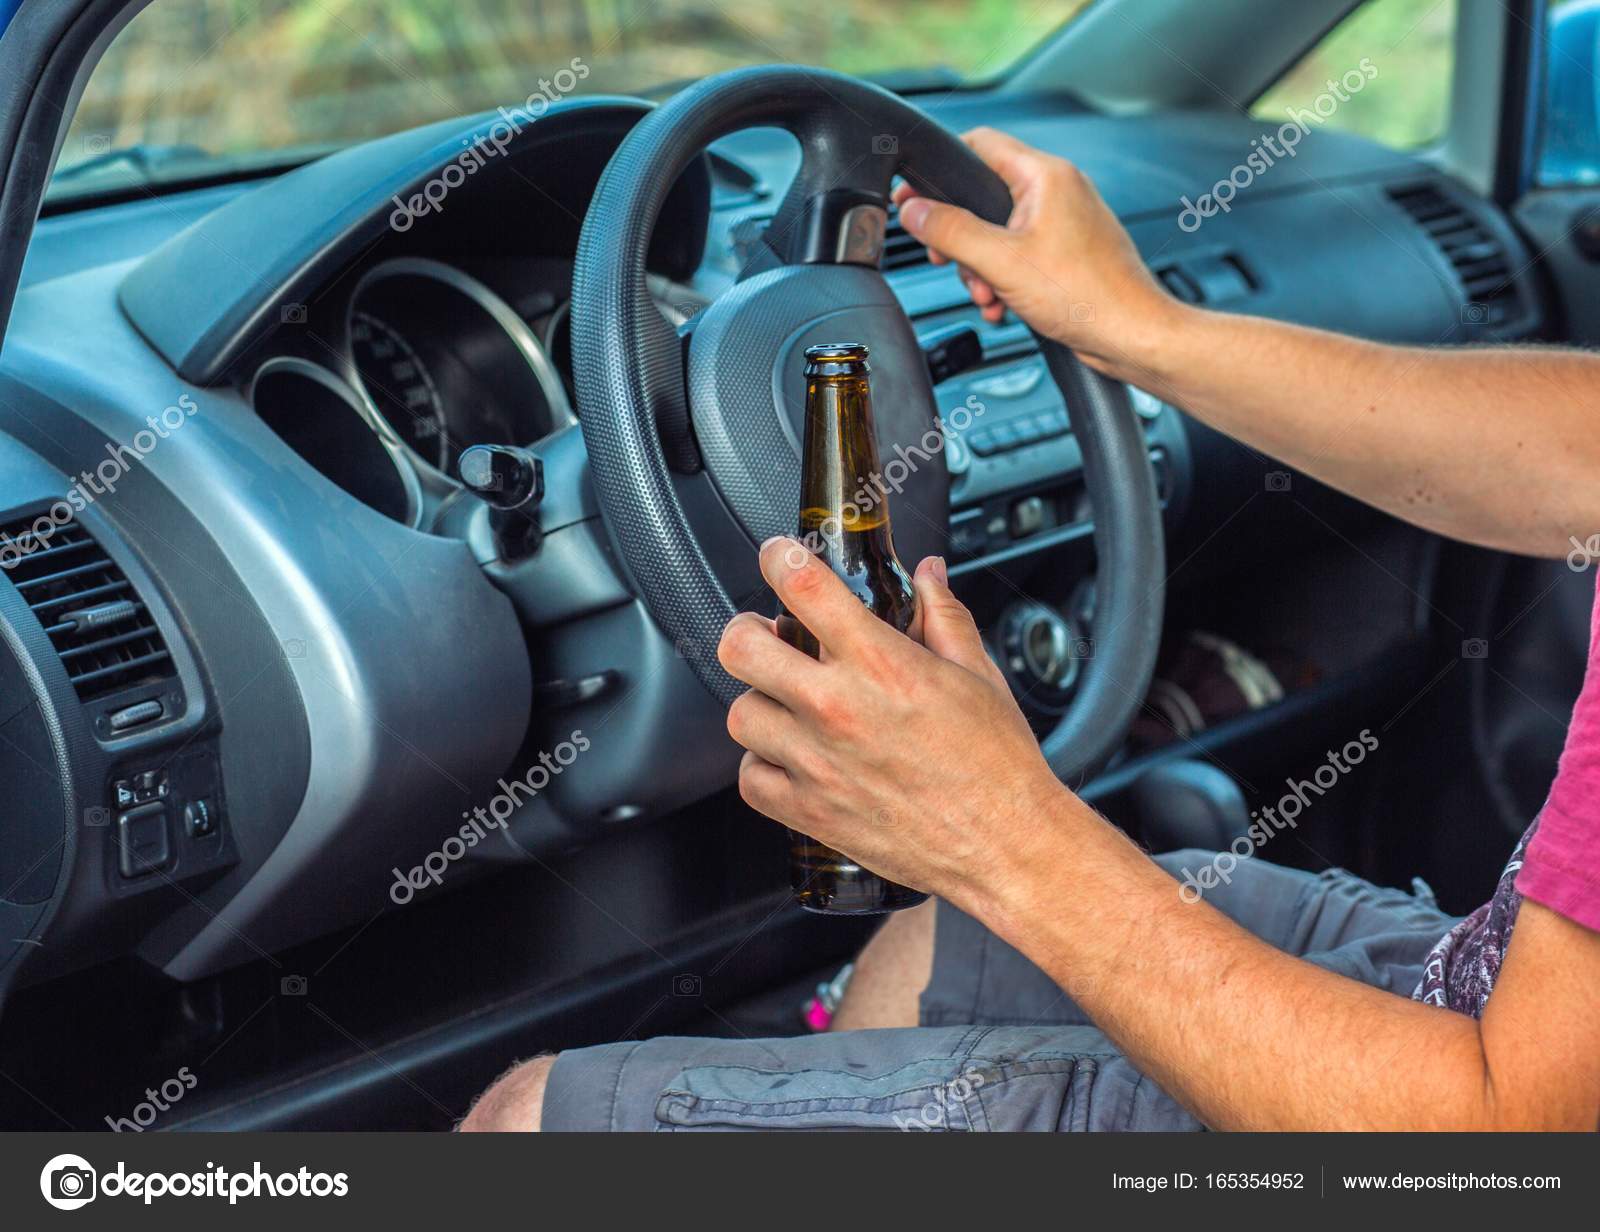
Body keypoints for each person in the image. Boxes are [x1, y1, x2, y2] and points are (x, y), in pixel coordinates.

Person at [460, 129, 1600, 1132]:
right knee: (945, 945)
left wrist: (1004, 834)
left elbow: (1502, 1145)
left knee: (528, 1125)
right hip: (1491, 986)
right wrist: (1142, 332)